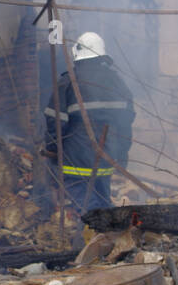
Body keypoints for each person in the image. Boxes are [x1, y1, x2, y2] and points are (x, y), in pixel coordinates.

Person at [44, 32, 136, 213]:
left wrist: (53, 150)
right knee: (102, 203)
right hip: (106, 158)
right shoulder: (118, 83)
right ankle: (107, 235)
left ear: (77, 55)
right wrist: (122, 153)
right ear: (102, 55)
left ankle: (98, 233)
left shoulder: (69, 82)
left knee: (88, 208)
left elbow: (55, 121)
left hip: (75, 161)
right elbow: (125, 124)